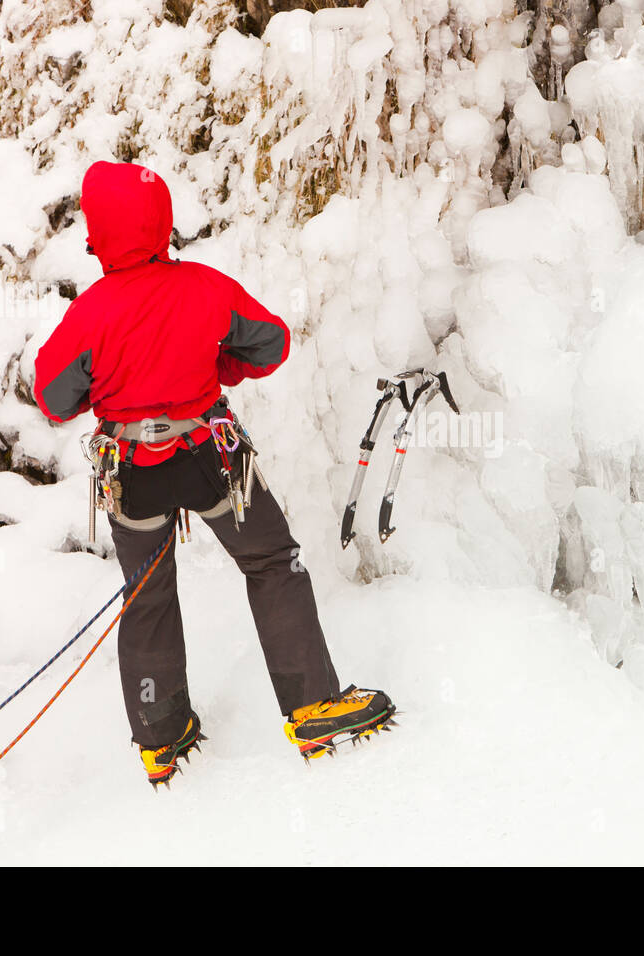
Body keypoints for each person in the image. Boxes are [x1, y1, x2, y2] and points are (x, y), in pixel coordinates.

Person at [33, 161, 394, 787]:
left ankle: (161, 737)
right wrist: (219, 366)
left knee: (147, 595)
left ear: (97, 235)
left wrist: (116, 391)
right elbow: (272, 343)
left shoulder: (89, 314)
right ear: (162, 221)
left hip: (133, 474)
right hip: (212, 459)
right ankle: (314, 708)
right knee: (273, 562)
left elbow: (55, 398)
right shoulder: (205, 287)